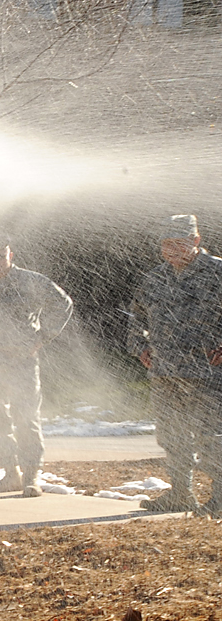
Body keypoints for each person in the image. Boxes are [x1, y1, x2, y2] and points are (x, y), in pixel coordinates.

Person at [0, 241, 75, 497]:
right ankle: (11, 473)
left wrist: (42, 337)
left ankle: (31, 475)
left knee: (26, 417)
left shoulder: (32, 281)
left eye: (1, 256)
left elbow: (63, 304)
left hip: (21, 358)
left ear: (10, 255)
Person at [126, 214, 222, 513]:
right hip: (165, 372)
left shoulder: (217, 271)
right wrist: (139, 345)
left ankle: (219, 499)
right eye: (167, 244)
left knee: (212, 437)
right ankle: (181, 493)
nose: (172, 251)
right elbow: (135, 315)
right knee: (172, 436)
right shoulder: (155, 277)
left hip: (207, 373)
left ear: (196, 240)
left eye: (179, 243)